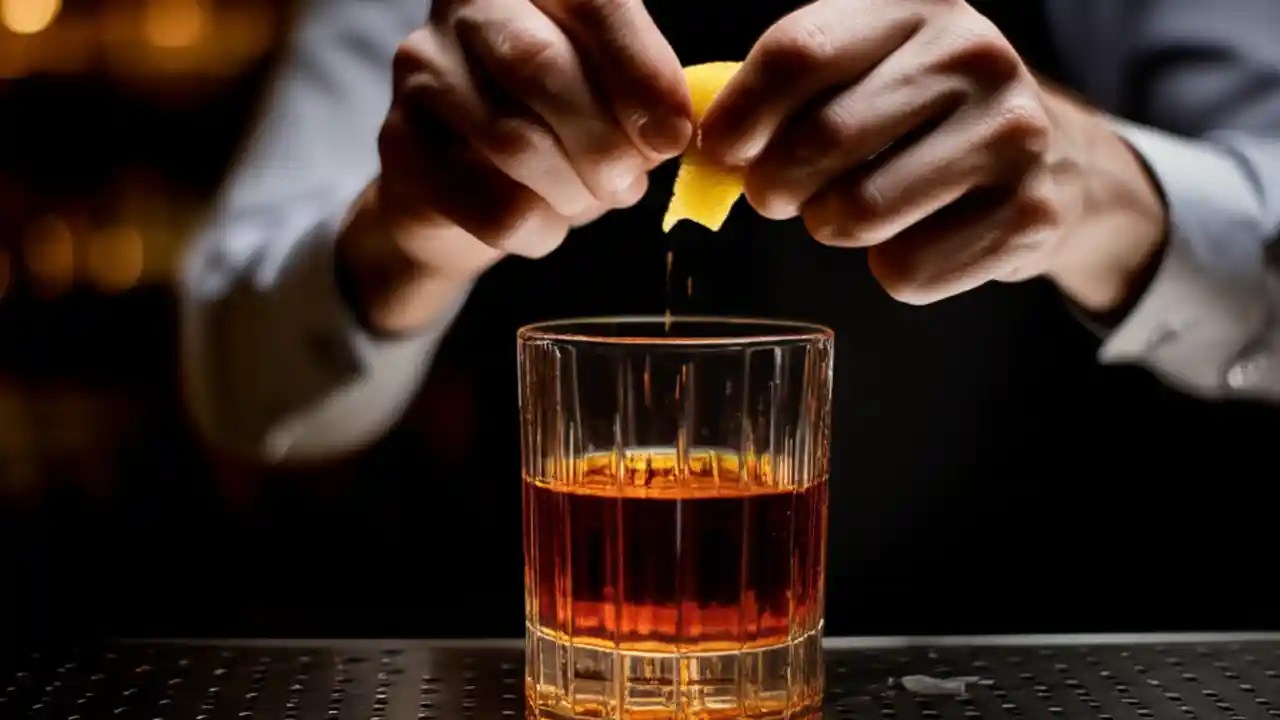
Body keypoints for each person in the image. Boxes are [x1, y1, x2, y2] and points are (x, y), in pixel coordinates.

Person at [180, 0, 1279, 634]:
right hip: (548, 664)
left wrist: (1095, 183)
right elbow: (243, 388)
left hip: (1044, 640)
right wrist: (401, 229)